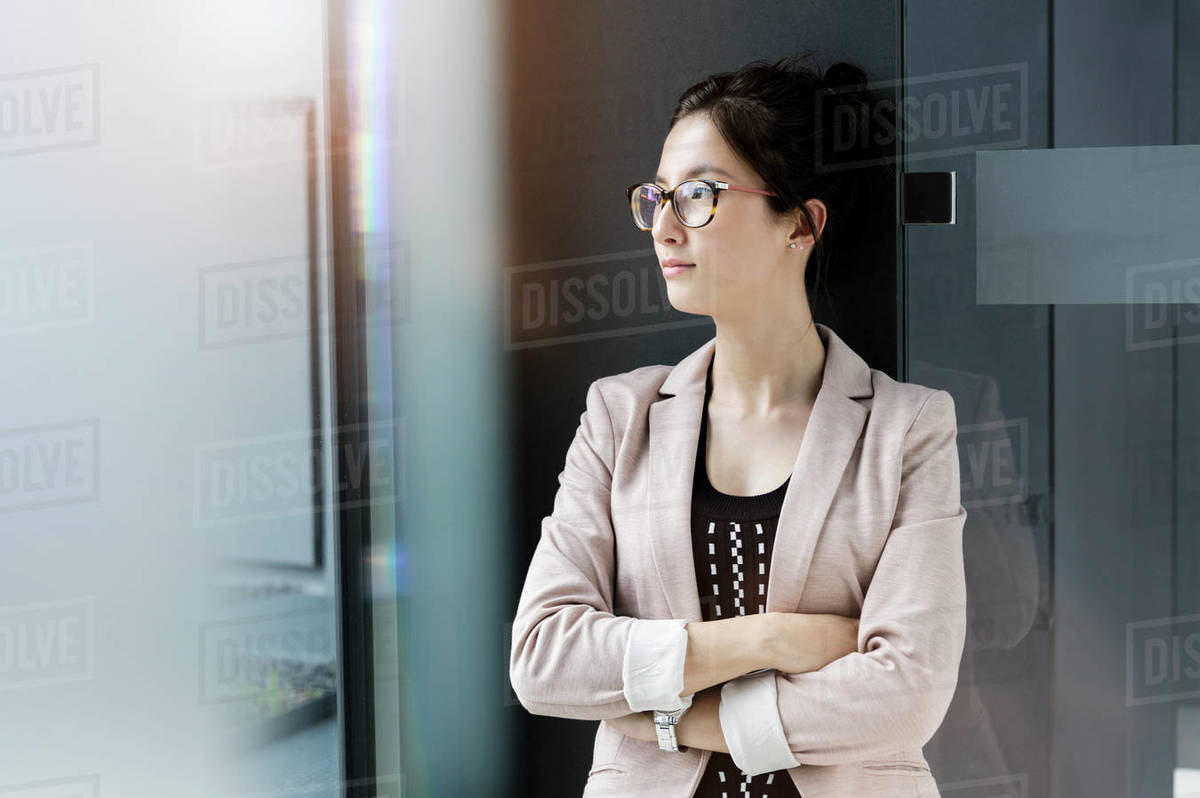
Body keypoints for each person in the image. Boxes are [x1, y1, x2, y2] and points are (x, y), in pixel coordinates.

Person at [510, 52, 967, 797]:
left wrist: (669, 717)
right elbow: (543, 659)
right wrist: (769, 639)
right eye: (655, 197)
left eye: (698, 195)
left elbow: (908, 691)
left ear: (801, 223)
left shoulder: (908, 428)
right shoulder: (619, 416)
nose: (664, 225)